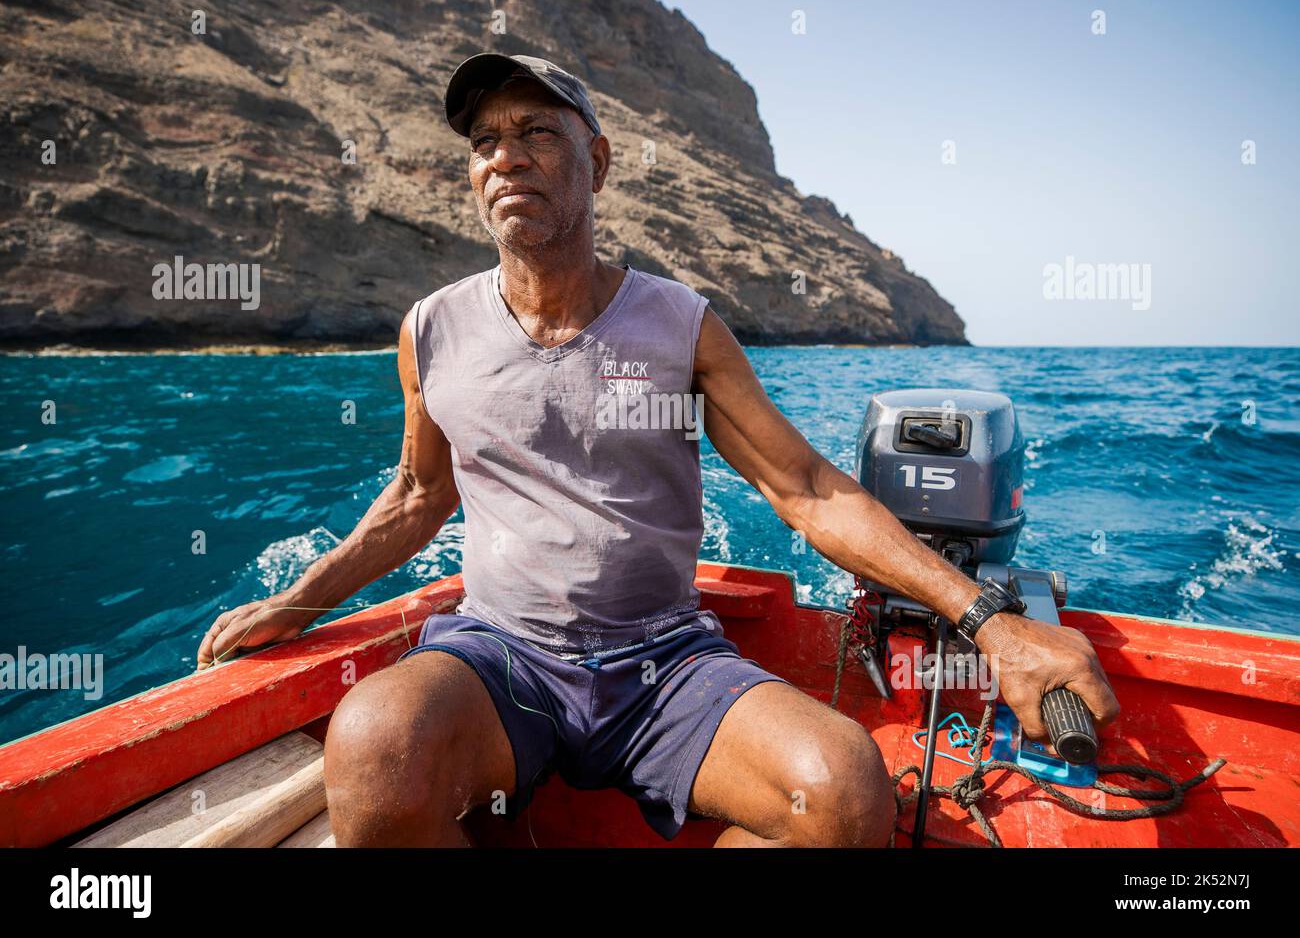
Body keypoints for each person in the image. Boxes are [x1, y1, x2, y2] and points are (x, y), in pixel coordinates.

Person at [196, 53, 1119, 847]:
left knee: (843, 790)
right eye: (483, 142)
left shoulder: (682, 325)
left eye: (536, 133)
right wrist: (300, 598)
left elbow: (805, 487)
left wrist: (991, 624)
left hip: (665, 664)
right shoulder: (431, 328)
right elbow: (416, 494)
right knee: (373, 746)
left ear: (596, 160)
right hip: (502, 657)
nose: (505, 156)